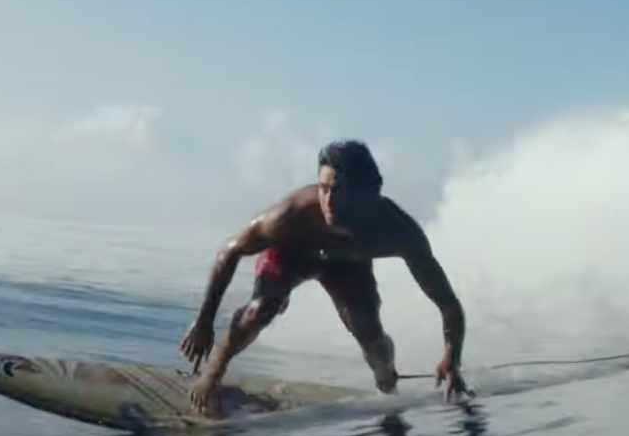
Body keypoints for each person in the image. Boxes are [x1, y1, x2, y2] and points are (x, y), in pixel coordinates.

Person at [177, 139, 471, 416]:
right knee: (260, 309)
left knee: (369, 333)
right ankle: (212, 375)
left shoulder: (398, 233)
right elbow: (230, 251)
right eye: (323, 187)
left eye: (339, 190)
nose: (328, 200)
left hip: (347, 265)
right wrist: (204, 321)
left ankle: (387, 380)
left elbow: (448, 304)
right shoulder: (292, 215)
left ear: (369, 193)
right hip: (292, 251)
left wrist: (452, 359)